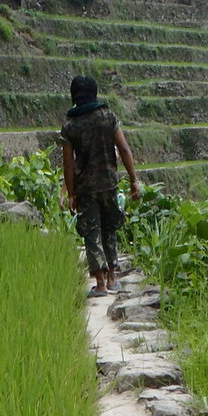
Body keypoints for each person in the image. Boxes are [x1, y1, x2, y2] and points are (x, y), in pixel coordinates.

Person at [60, 74, 140, 296]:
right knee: (110, 228)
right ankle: (114, 278)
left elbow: (68, 164)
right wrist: (133, 179)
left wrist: (71, 192)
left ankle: (101, 284)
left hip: (86, 188)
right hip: (109, 184)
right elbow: (124, 149)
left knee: (91, 232)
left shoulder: (69, 126)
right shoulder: (108, 116)